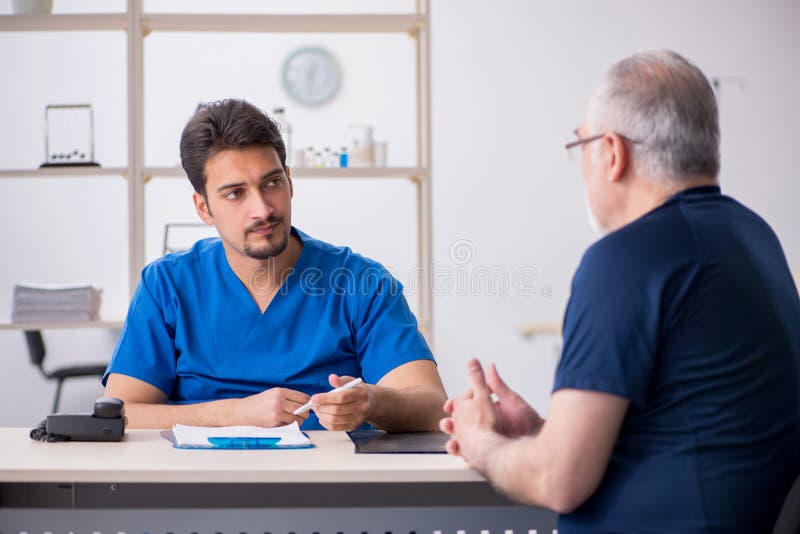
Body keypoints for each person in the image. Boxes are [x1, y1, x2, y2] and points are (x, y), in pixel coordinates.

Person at [440, 49, 800, 533]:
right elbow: (691, 434)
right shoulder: (752, 236)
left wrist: (480, 441)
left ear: (612, 152)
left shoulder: (627, 258)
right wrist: (542, 434)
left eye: (580, 146)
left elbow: (556, 481)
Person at [103, 99, 446, 432]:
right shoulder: (167, 285)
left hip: (332, 482)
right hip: (201, 481)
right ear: (203, 208)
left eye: (272, 183)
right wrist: (233, 413)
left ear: (290, 181)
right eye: (236, 193)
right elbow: (123, 412)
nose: (263, 209)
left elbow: (431, 405)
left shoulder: (361, 282)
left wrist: (372, 402)